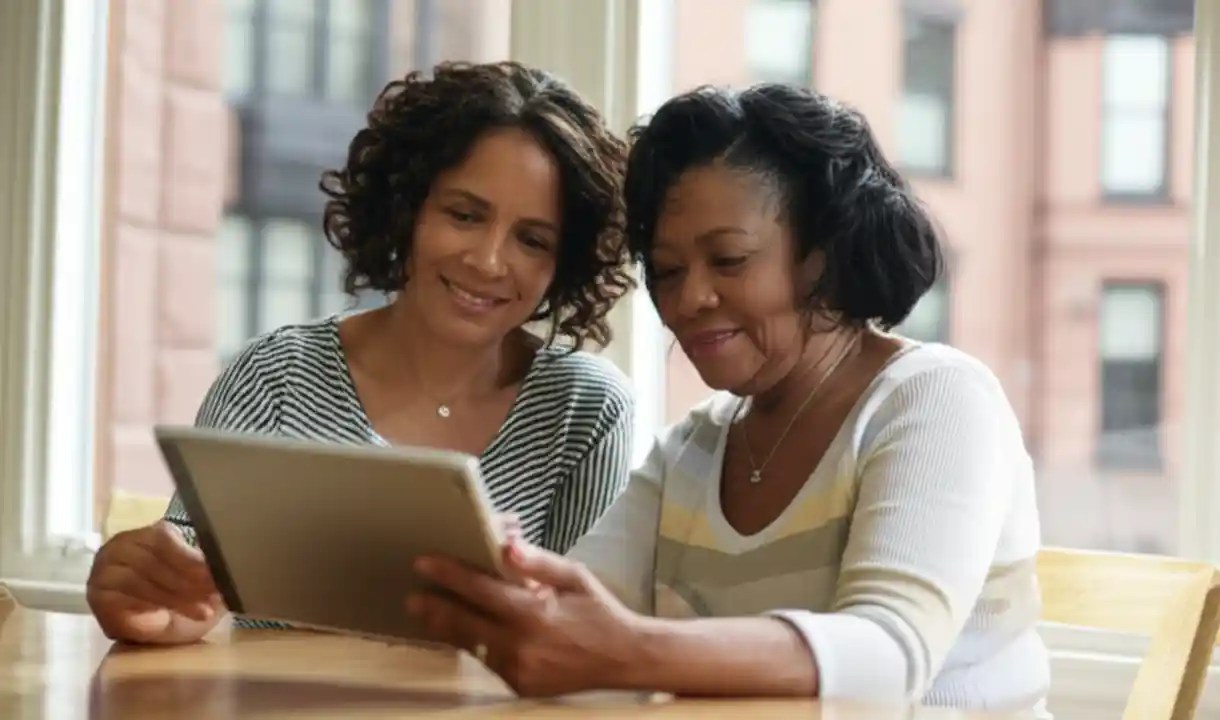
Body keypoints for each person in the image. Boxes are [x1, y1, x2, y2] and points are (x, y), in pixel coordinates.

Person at [404, 84, 1050, 712]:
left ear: (821, 256)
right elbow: (577, 608)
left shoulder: (934, 399)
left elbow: (890, 657)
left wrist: (631, 649)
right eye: (669, 271)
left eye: (730, 260)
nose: (689, 300)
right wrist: (506, 580)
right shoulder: (694, 448)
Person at [87, 61, 637, 646]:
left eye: (532, 239)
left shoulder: (586, 410)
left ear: (564, 264)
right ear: (408, 210)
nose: (489, 261)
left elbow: (582, 640)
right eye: (464, 215)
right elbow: (184, 573)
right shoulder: (276, 377)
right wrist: (150, 593)